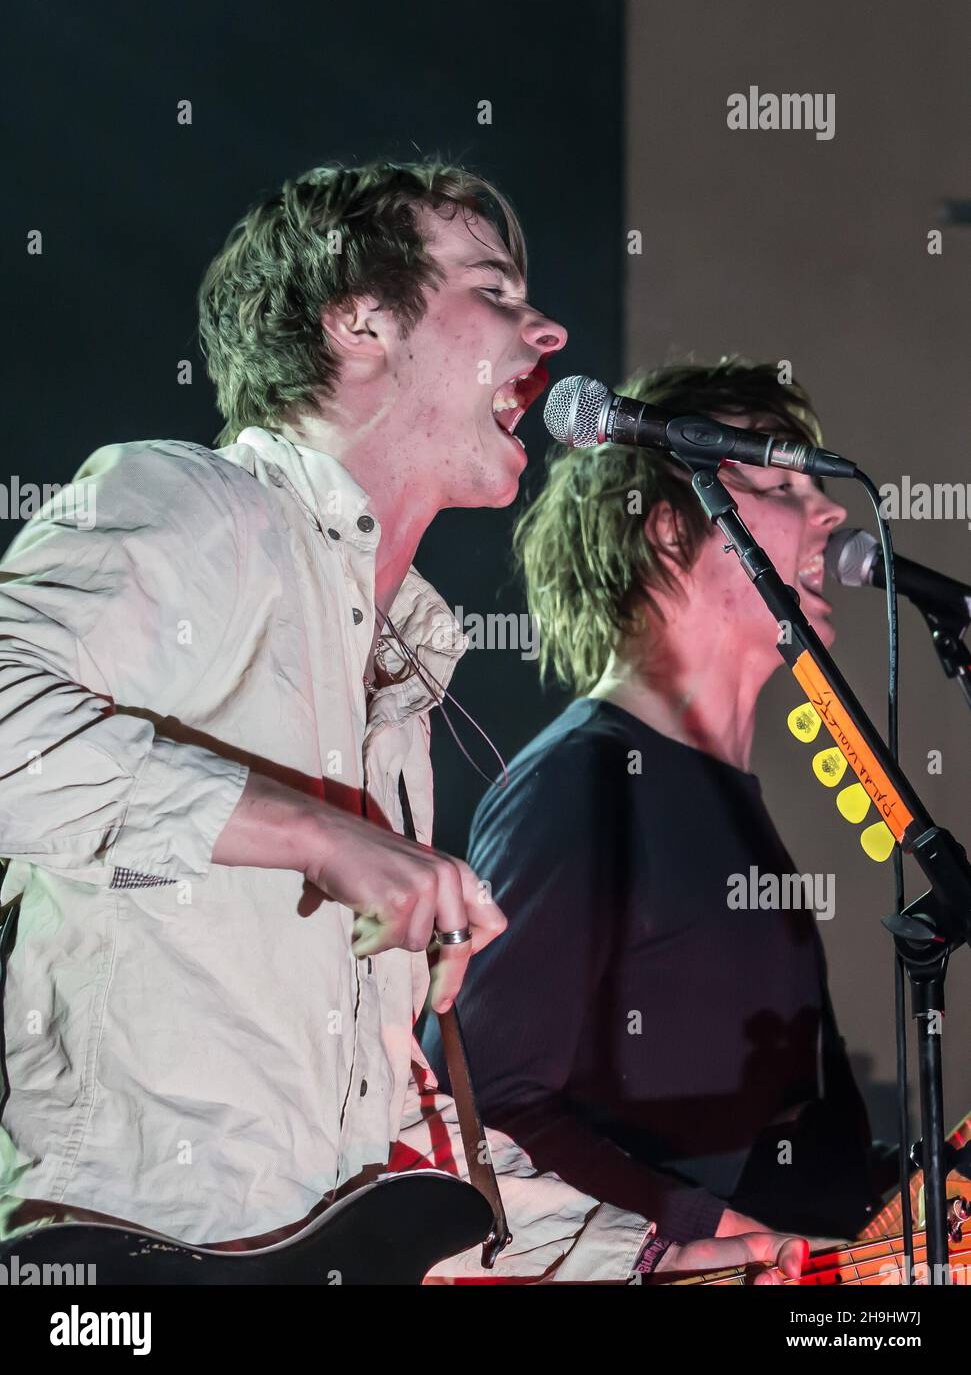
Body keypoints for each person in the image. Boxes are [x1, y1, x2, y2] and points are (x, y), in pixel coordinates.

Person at [0, 166, 805, 1283]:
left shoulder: (397, 667)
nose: (549, 327)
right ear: (362, 323)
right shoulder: (200, 506)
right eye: (495, 290)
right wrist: (324, 836)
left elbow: (391, 1163)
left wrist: (649, 1258)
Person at [422, 358, 881, 1244]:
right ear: (670, 528)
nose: (827, 511)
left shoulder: (715, 790)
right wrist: (704, 1231)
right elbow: (484, 1105)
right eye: (782, 484)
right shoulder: (577, 785)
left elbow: (767, 1135)